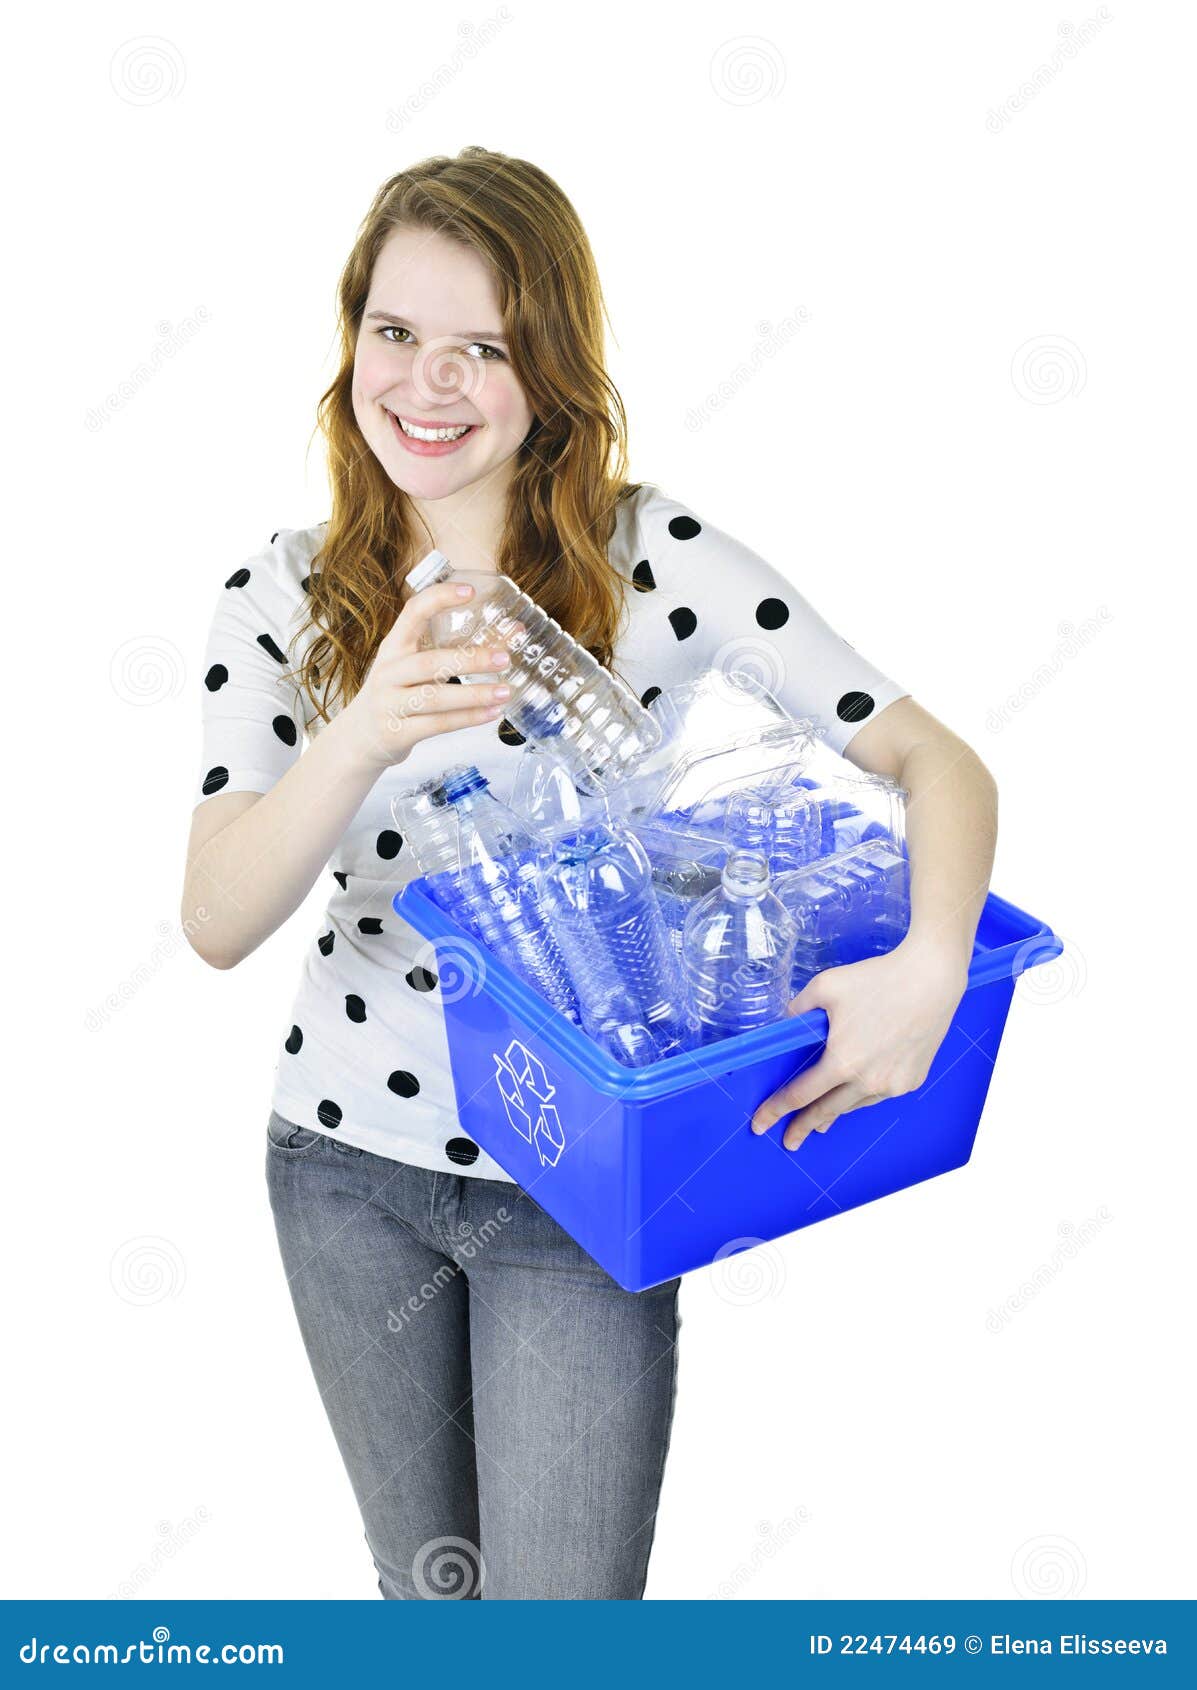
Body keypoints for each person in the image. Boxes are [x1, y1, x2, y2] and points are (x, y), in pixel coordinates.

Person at [180, 147, 997, 1601]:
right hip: (343, 1172)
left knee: (562, 1626)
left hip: (583, 1178)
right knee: (426, 1608)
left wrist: (929, 963)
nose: (427, 384)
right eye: (394, 333)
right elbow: (217, 917)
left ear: (548, 369)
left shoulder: (656, 560)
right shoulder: (281, 595)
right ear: (349, 342)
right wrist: (363, 727)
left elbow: (937, 763)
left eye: (481, 347)